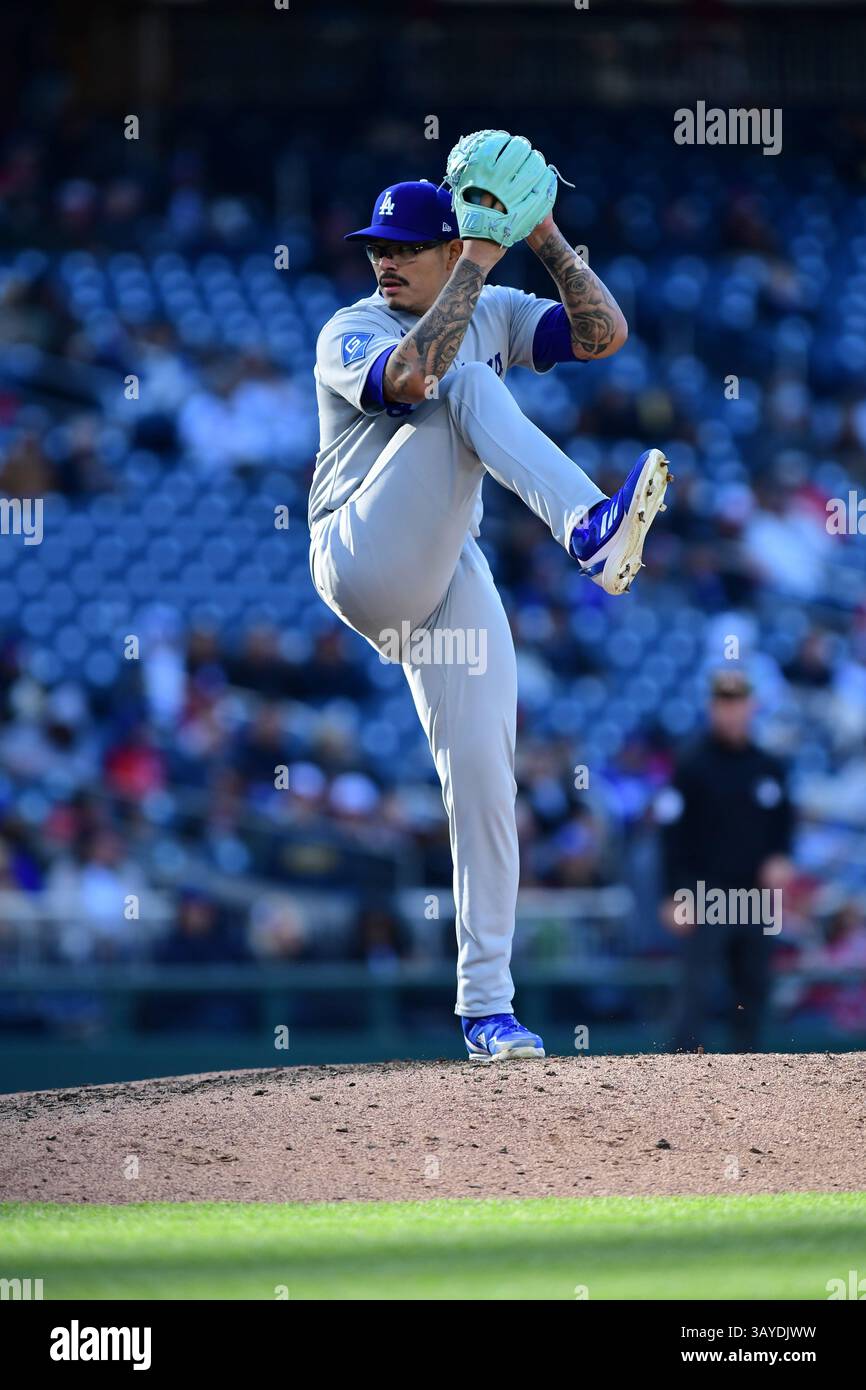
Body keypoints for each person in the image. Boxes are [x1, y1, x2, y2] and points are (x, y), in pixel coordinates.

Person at [309, 160, 671, 1061]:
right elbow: (413, 373)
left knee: (483, 775)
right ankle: (590, 527)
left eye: (403, 249)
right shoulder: (350, 327)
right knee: (462, 381)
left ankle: (487, 1009)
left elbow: (603, 336)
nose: (383, 262)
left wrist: (541, 233)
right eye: (376, 248)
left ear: (445, 246)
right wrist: (475, 256)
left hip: (444, 570)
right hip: (360, 554)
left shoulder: (496, 304)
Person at [657, 668, 794, 1052]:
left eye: (737, 704)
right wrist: (673, 893)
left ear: (752, 706)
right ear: (711, 707)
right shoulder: (691, 765)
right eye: (723, 704)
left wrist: (781, 858)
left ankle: (749, 1078)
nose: (731, 712)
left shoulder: (768, 767)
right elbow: (671, 834)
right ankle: (678, 1077)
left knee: (753, 987)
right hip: (704, 893)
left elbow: (783, 827)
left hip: (754, 894)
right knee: (695, 990)